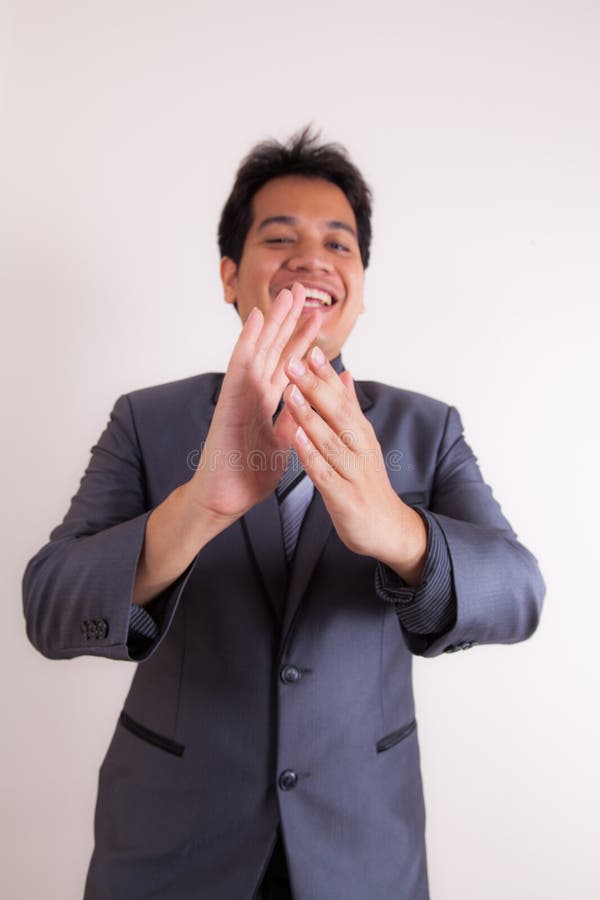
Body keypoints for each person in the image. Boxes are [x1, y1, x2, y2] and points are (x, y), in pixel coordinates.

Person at [23, 128, 545, 900]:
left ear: (359, 289)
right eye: (279, 238)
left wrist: (395, 529)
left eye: (339, 245)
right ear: (230, 277)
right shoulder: (147, 420)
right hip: (172, 849)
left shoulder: (426, 430)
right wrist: (198, 509)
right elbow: (49, 606)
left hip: (362, 849)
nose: (312, 259)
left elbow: (521, 594)